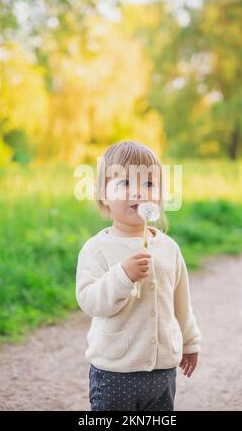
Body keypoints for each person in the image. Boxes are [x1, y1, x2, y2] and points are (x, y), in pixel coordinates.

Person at [76, 140, 202, 411]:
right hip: (115, 371)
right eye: (124, 184)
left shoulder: (168, 248)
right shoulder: (97, 249)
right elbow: (91, 302)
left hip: (162, 370)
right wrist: (123, 276)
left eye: (148, 184)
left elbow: (180, 302)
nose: (139, 192)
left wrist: (190, 341)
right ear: (103, 195)